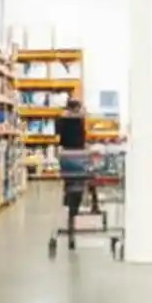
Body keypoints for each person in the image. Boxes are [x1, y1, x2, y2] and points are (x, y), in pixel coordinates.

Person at [55, 99, 98, 248]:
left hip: (66, 157)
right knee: (90, 177)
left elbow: (58, 135)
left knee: (71, 184)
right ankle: (94, 204)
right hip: (79, 156)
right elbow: (82, 138)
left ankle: (70, 211)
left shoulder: (61, 119)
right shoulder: (80, 119)